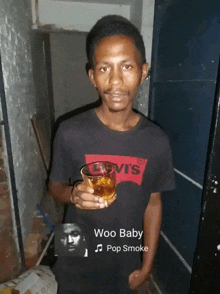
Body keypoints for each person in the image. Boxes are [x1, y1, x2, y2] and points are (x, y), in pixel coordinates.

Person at [49, 14, 175, 294]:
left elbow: (153, 204)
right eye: (104, 68)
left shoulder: (156, 141)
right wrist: (72, 195)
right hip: (73, 249)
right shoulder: (70, 131)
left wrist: (146, 265)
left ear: (143, 72)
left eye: (126, 66)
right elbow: (54, 186)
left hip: (123, 251)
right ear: (92, 76)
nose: (115, 81)